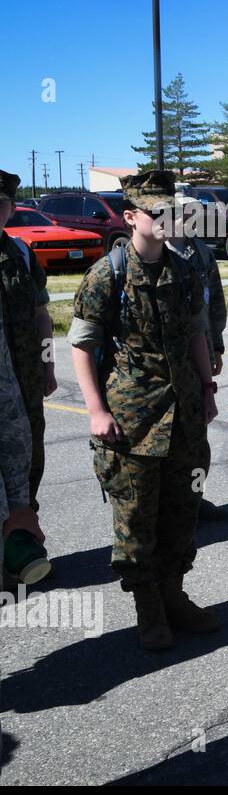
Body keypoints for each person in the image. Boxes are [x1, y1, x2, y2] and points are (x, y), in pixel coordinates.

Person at [69, 170, 219, 651]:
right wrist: (95, 410)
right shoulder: (107, 273)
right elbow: (81, 344)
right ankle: (148, 607)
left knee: (183, 509)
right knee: (135, 516)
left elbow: (198, 331)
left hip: (185, 413)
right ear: (131, 217)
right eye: (156, 212)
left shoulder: (185, 268)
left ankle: (174, 593)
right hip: (131, 419)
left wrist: (208, 389)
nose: (167, 219)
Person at [0, 169, 56, 589]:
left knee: (27, 466)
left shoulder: (19, 252)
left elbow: (42, 315)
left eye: (2, 204)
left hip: (24, 384)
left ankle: (22, 551)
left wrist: (49, 366)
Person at [160, 194, 228, 522]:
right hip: (160, 363)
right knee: (161, 438)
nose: (188, 219)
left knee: (196, 439)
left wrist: (216, 345)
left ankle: (193, 499)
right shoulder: (154, 251)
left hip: (196, 354)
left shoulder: (200, 252)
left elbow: (214, 299)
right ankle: (162, 505)